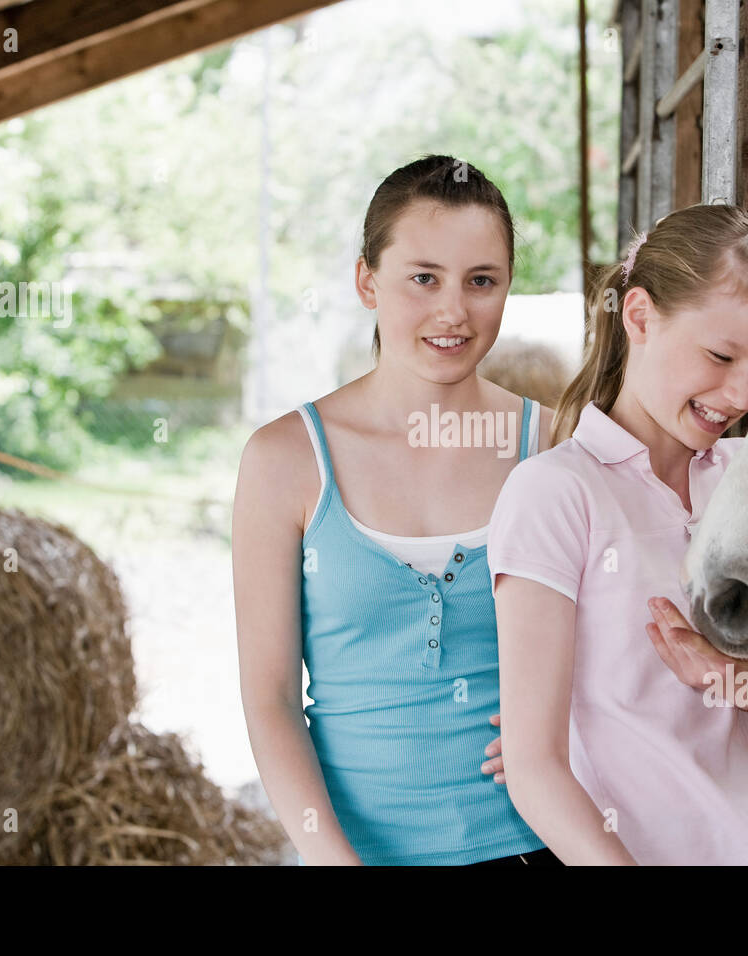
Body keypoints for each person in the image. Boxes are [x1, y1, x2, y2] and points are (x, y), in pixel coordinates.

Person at [487, 204, 748, 865]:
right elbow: (535, 769)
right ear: (639, 317)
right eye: (720, 355)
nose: (743, 393)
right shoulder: (555, 492)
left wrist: (732, 680)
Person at [231, 154, 561, 865]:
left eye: (482, 281)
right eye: (423, 278)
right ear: (366, 281)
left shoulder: (556, 446)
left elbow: (615, 659)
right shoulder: (284, 460)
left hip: (536, 845)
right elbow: (270, 700)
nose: (453, 311)